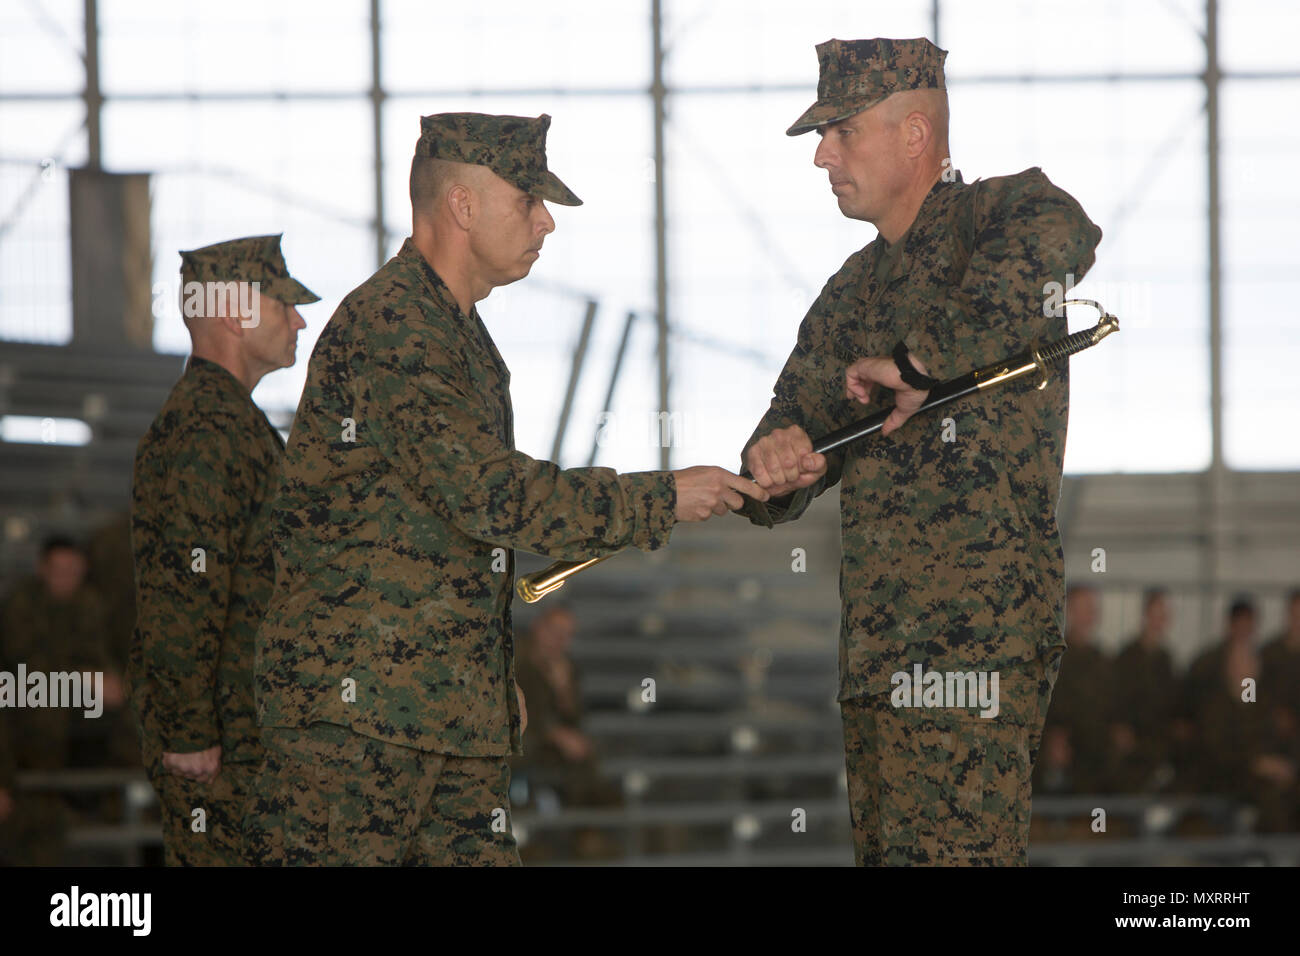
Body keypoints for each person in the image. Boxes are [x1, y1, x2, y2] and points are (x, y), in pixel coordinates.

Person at [243, 111, 765, 867]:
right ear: (462, 206)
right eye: (528, 200)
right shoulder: (394, 325)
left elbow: (455, 538)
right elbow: (488, 495)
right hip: (357, 720)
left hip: (439, 711)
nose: (546, 222)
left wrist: (482, 681)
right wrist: (661, 497)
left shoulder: (456, 333)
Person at [736, 37, 1103, 866]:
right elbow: (785, 432)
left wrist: (919, 361)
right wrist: (778, 456)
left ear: (914, 133)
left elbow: (1066, 229)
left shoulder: (994, 223)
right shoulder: (850, 291)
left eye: (842, 132)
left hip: (970, 647)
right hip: (875, 651)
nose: (822, 156)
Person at [129, 235, 318, 865]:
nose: (298, 319)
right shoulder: (210, 425)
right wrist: (190, 732)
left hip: (248, 736)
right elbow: (184, 583)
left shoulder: (230, 419)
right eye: (283, 303)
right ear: (234, 311)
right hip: (226, 747)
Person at [0, 536, 121, 865]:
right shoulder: (22, 604)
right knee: (43, 705)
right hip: (20, 694)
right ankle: (45, 794)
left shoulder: (91, 603)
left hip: (73, 698)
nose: (66, 578)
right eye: (58, 570)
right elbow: (25, 668)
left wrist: (104, 679)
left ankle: (117, 801)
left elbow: (100, 657)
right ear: (43, 569)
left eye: (73, 570)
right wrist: (83, 676)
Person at [1108, 588, 1179, 791]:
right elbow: (1115, 697)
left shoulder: (1166, 660)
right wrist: (1119, 727)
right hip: (1132, 740)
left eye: (1163, 616)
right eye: (1155, 615)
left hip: (1158, 740)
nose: (1159, 622)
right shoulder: (1127, 657)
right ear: (1145, 615)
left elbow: (1172, 702)